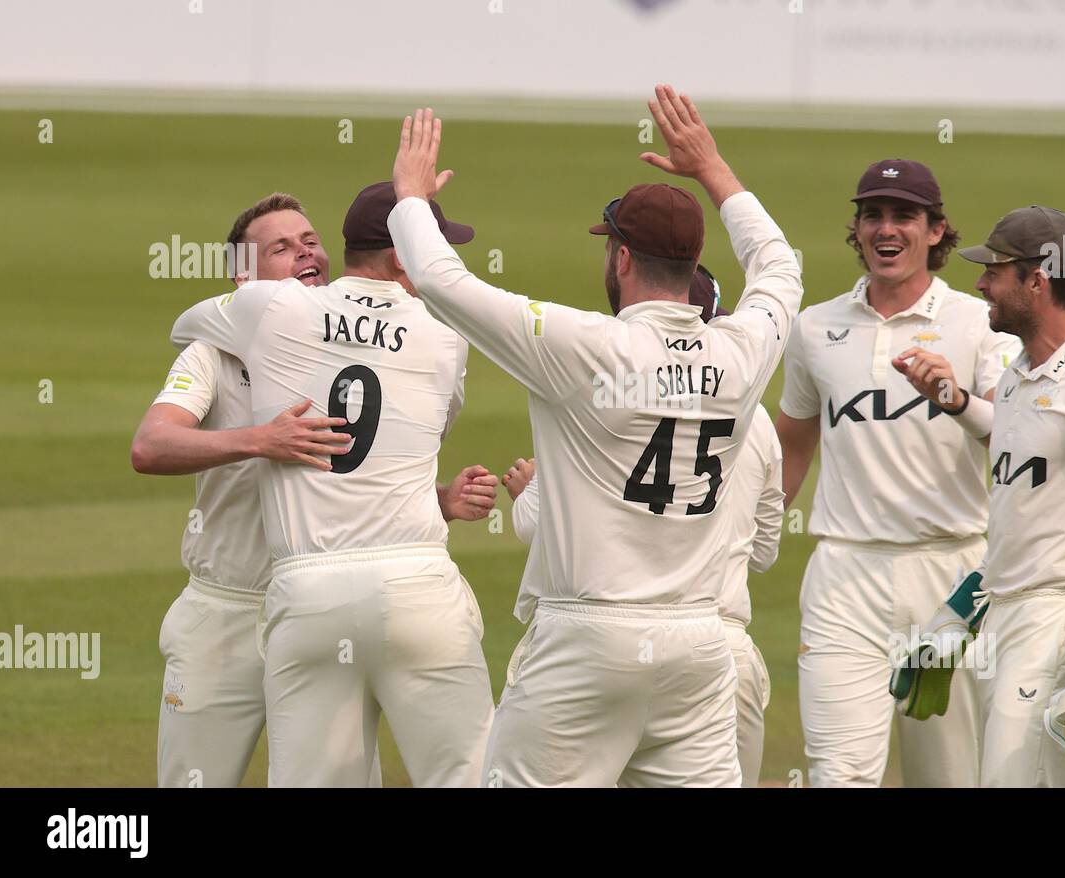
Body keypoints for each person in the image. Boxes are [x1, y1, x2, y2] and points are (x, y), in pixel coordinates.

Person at [386, 86, 802, 786]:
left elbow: (437, 276)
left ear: (621, 259)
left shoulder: (580, 344)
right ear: (696, 262)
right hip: (699, 648)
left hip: (587, 642)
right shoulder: (742, 353)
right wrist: (713, 168)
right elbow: (779, 265)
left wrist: (409, 196)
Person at [164, 183, 497, 787]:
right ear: (245, 278)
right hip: (231, 611)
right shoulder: (213, 355)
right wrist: (257, 439)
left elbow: (379, 473)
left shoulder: (309, 329)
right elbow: (149, 445)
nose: (305, 254)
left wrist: (441, 501)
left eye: (311, 241)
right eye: (283, 248)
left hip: (313, 598)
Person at [895, 206, 1065, 786]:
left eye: (995, 272)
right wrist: (958, 616)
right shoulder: (1020, 375)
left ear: (1036, 281)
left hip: (1060, 625)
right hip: (1010, 623)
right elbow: (1025, 511)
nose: (981, 284)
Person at [775, 160, 1018, 787]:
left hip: (951, 576)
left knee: (949, 777)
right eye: (873, 216)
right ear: (855, 231)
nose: (887, 229)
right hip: (843, 574)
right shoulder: (815, 327)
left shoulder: (979, 324)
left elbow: (1019, 441)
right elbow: (793, 443)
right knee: (838, 772)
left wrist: (957, 397)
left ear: (937, 231)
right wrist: (744, 537)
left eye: (904, 216)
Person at [502, 267, 784, 787]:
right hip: (722, 655)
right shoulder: (755, 415)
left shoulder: (606, 389)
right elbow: (764, 550)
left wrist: (532, 494)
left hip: (614, 644)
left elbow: (543, 527)